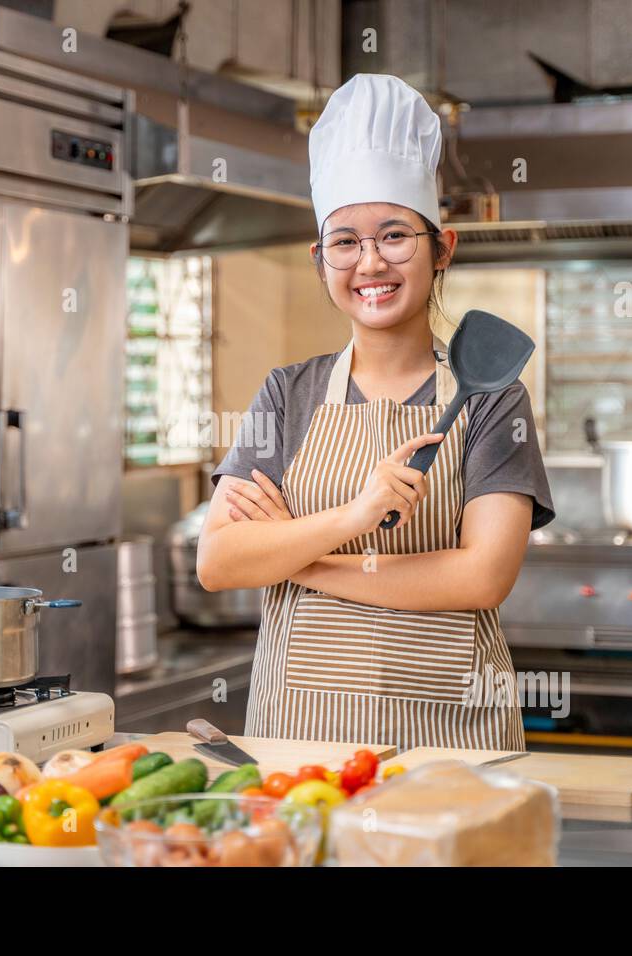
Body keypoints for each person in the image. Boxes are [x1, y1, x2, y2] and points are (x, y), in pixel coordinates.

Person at [196, 73, 555, 751]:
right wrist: (351, 519)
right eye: (346, 242)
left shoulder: (490, 398)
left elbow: (482, 577)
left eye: (395, 236)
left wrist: (298, 560)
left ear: (442, 247)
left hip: (449, 739)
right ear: (320, 258)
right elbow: (218, 562)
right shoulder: (287, 394)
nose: (370, 264)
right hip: (302, 741)